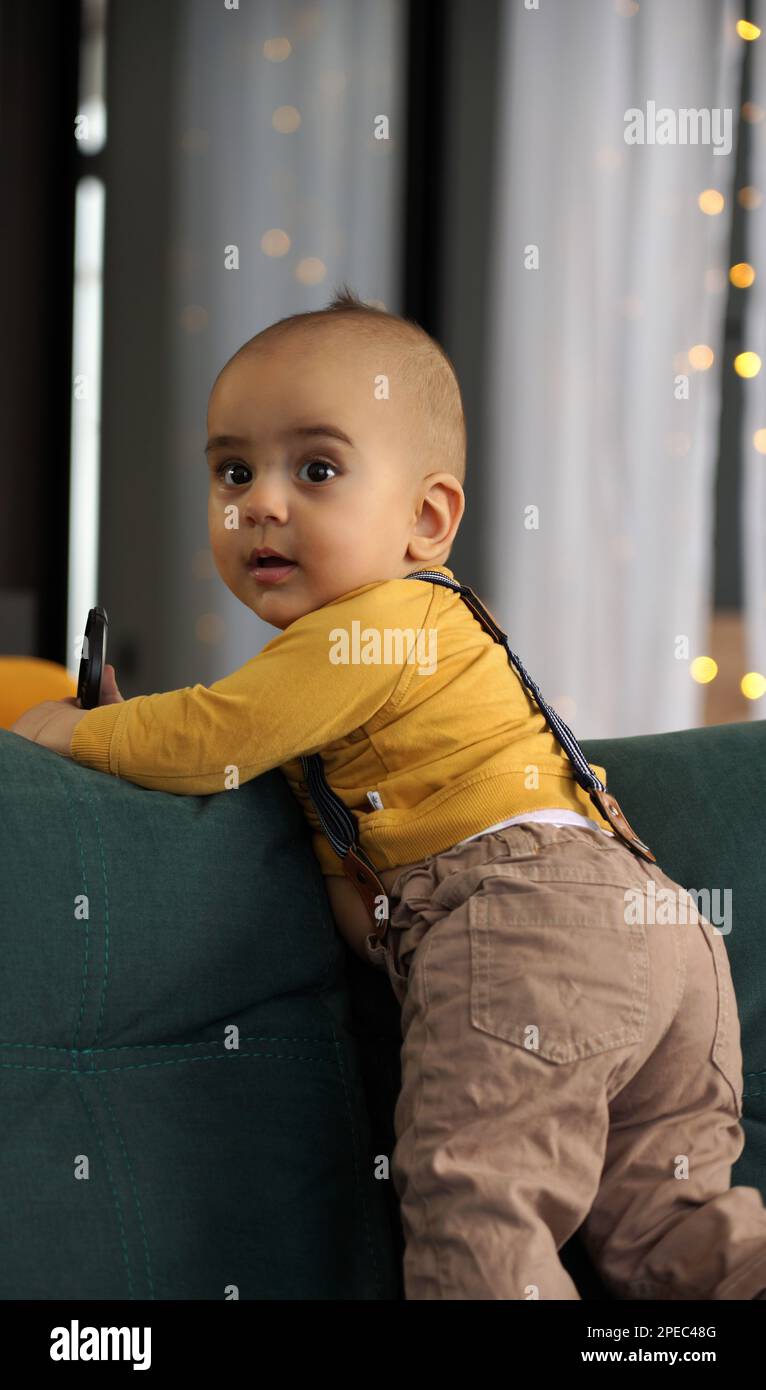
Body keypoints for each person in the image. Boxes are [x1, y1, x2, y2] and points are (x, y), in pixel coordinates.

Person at [12, 286, 766, 1300]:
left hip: (535, 928)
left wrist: (69, 728)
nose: (262, 503)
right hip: (662, 940)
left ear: (425, 517)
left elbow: (215, 734)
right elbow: (347, 867)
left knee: (475, 1206)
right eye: (234, 470)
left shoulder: (375, 625)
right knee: (661, 1227)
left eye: (315, 469)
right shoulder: (426, 649)